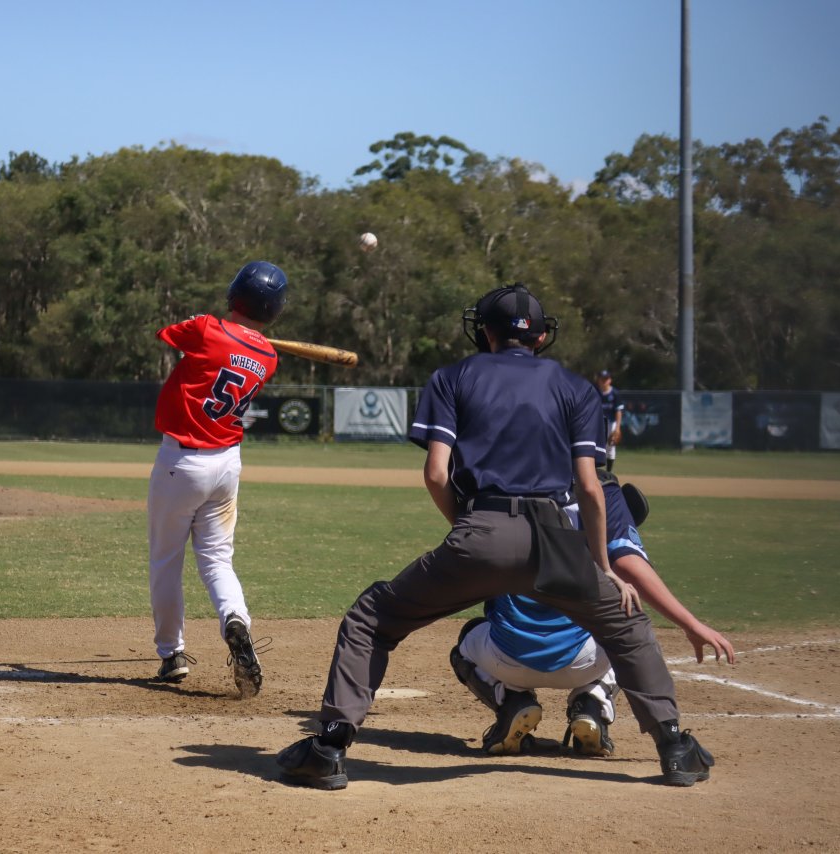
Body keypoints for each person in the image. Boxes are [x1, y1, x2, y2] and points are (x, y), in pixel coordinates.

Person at [276, 283, 715, 789]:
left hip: (482, 527)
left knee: (373, 618)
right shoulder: (577, 388)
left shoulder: (453, 377)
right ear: (540, 336)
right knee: (627, 626)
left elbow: (437, 474)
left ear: (484, 329)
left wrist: (472, 530)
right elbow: (591, 490)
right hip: (557, 537)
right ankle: (676, 748)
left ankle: (329, 747)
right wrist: (600, 566)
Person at [451, 470, 735, 757]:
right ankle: (593, 702)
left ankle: (511, 700)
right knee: (626, 636)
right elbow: (629, 565)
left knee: (468, 637)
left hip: (507, 659)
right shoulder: (601, 491)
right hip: (586, 661)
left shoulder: (500, 490)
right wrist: (691, 624)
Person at [147, 261, 285, 698]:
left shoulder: (207, 329)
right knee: (217, 560)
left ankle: (172, 654)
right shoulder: (269, 356)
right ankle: (235, 619)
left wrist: (221, 329)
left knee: (167, 560)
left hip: (182, 461)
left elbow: (168, 333)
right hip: (227, 465)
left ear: (234, 294)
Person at [596, 370, 624, 472]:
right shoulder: (595, 391)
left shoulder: (615, 393)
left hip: (611, 423)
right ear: (598, 380)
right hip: (597, 423)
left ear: (610, 380)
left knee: (610, 447)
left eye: (606, 379)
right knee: (595, 446)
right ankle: (594, 471)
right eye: (602, 379)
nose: (604, 381)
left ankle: (609, 472)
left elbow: (618, 411)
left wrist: (617, 428)